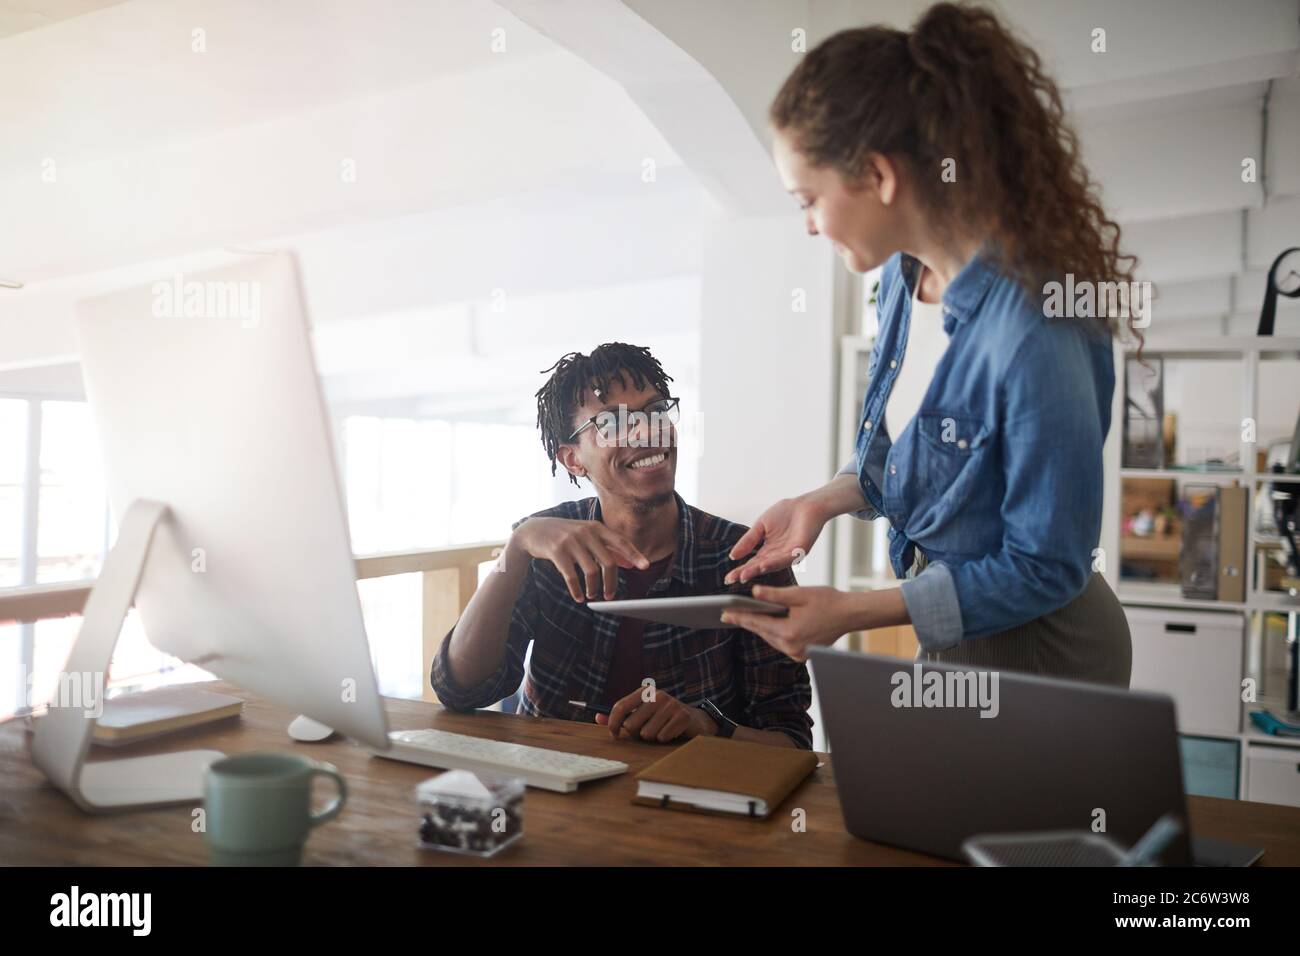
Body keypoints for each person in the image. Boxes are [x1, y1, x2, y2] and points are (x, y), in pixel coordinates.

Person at [720, 2, 1134, 686]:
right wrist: (821, 502)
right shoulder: (902, 280)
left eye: (807, 200)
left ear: (878, 177)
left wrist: (849, 613)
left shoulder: (1038, 325)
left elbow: (1048, 564)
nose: (809, 227)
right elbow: (920, 471)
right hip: (960, 636)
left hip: (1041, 652)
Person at [430, 342, 814, 748]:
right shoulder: (544, 547)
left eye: (656, 411)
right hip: (552, 787)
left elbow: (790, 743)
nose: (647, 431)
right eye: (612, 423)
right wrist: (517, 546)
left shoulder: (747, 557)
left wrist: (707, 726)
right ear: (572, 459)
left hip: (692, 796)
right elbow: (460, 690)